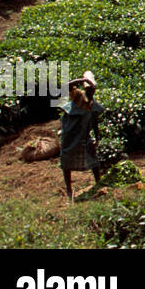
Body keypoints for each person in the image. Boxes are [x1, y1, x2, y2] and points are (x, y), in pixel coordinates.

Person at [60, 71, 104, 203]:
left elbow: (94, 121)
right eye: (88, 89)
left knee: (93, 159)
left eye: (92, 90)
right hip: (70, 132)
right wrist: (81, 79)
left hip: (83, 134)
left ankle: (99, 183)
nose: (91, 92)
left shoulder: (92, 104)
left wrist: (97, 136)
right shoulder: (78, 96)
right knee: (67, 159)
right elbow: (65, 86)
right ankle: (69, 188)